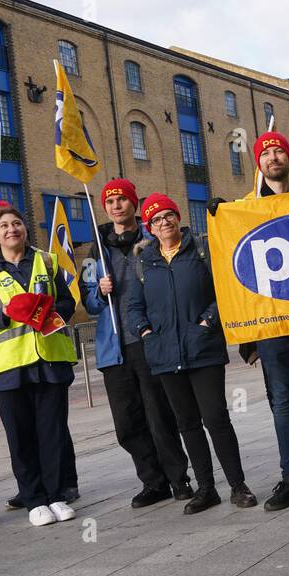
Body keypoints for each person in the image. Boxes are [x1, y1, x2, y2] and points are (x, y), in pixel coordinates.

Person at [125, 193, 258, 513]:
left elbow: (224, 288)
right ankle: (206, 488)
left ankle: (238, 486)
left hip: (203, 349)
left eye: (168, 215)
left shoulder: (201, 249)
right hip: (164, 355)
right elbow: (133, 307)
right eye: (156, 219)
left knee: (215, 418)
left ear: (178, 217)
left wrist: (207, 321)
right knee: (187, 423)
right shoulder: (143, 261)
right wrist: (145, 331)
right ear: (149, 227)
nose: (164, 222)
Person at [208, 131, 289, 514]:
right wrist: (223, 220)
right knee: (282, 401)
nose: (273, 157)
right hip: (272, 325)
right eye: (266, 153)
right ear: (258, 163)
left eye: (279, 151)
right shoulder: (247, 209)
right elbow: (233, 273)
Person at [82, 178, 194, 508]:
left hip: (147, 340)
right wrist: (98, 292)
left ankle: (178, 478)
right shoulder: (96, 251)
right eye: (110, 201)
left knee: (160, 416)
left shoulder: (151, 240)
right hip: (113, 347)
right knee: (127, 424)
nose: (116, 205)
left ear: (134, 204)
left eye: (122, 199)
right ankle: (152, 481)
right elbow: (87, 303)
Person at [0, 206, 79, 528]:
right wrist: (5, 314)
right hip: (9, 367)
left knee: (53, 433)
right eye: (3, 225)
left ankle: (56, 495)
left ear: (25, 228)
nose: (11, 229)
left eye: (17, 223)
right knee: (21, 437)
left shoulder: (47, 261)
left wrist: (50, 312)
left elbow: (69, 303)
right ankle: (34, 500)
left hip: (50, 361)